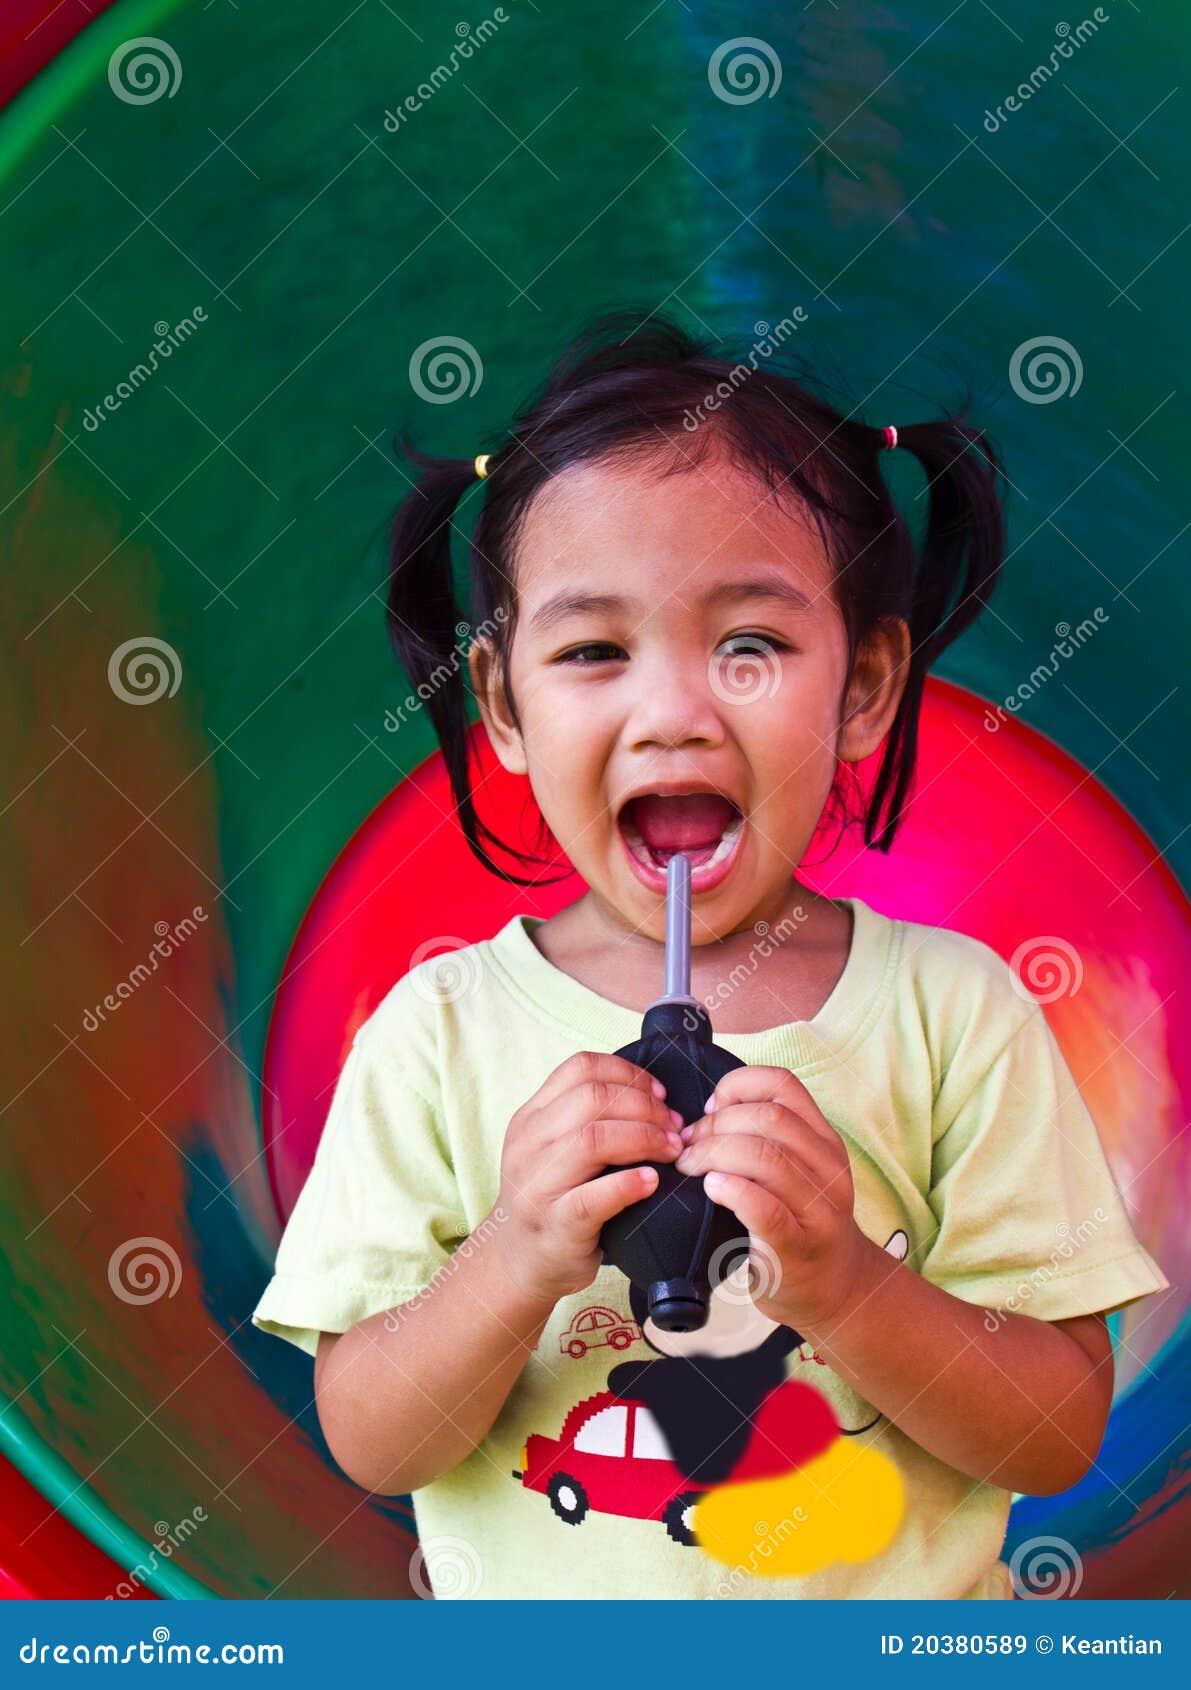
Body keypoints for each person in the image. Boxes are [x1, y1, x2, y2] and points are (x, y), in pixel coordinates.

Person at [252, 309, 1169, 1599]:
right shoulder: (435, 1032)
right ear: (505, 707)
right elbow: (368, 1434)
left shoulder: (957, 1019)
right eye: (593, 652)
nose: (674, 712)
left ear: (862, 690)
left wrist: (847, 1282)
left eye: (751, 644)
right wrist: (514, 1255)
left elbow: (1055, 1431)